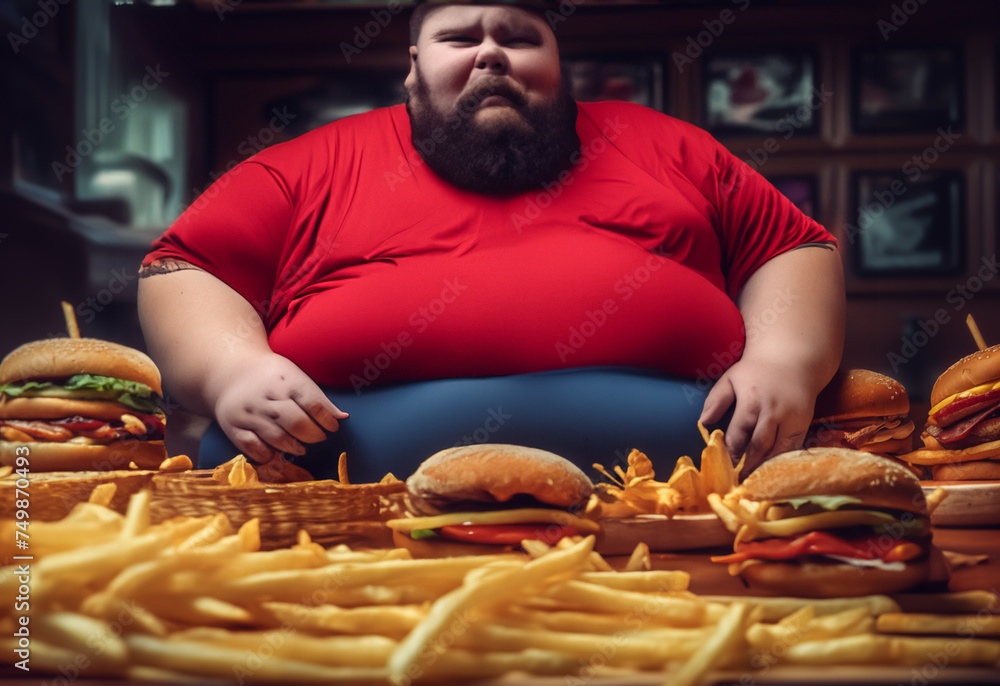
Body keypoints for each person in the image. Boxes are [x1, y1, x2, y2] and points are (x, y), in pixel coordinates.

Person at [137, 1, 845, 482]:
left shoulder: (665, 145)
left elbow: (792, 247)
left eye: (518, 37)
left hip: (692, 506)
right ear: (413, 66)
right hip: (332, 518)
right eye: (460, 38)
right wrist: (232, 369)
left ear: (558, 66)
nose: (490, 54)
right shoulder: (308, 162)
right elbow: (182, 266)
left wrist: (786, 361)